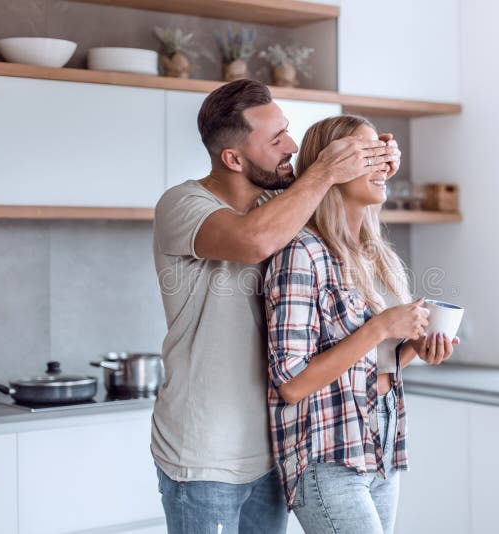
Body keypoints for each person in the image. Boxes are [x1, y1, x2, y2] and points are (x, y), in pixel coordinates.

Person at [151, 80, 402, 534]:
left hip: (273, 447)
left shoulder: (282, 203)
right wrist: (325, 172)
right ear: (233, 159)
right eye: (275, 140)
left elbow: (337, 209)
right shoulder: (183, 205)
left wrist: (376, 165)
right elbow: (253, 240)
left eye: (287, 131)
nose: (290, 145)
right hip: (207, 455)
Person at [264, 115, 459, 534]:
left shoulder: (374, 254)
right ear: (333, 166)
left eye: (382, 153)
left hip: (381, 442)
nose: (383, 166)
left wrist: (412, 348)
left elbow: (370, 367)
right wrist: (381, 328)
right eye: (366, 154)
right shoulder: (301, 252)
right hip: (327, 454)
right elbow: (292, 383)